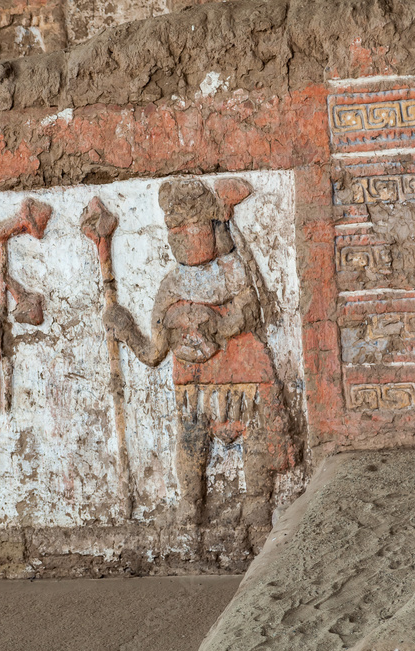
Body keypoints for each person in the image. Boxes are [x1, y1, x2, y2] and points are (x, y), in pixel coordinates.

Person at [103, 178, 294, 539]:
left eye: (189, 228)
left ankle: (257, 500)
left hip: (244, 376)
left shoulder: (232, 271)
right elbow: (154, 352)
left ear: (212, 228)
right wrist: (126, 329)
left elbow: (249, 311)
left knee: (255, 438)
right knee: (190, 443)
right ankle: (191, 503)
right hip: (194, 387)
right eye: (173, 230)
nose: (180, 238)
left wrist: (218, 325)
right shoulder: (170, 286)